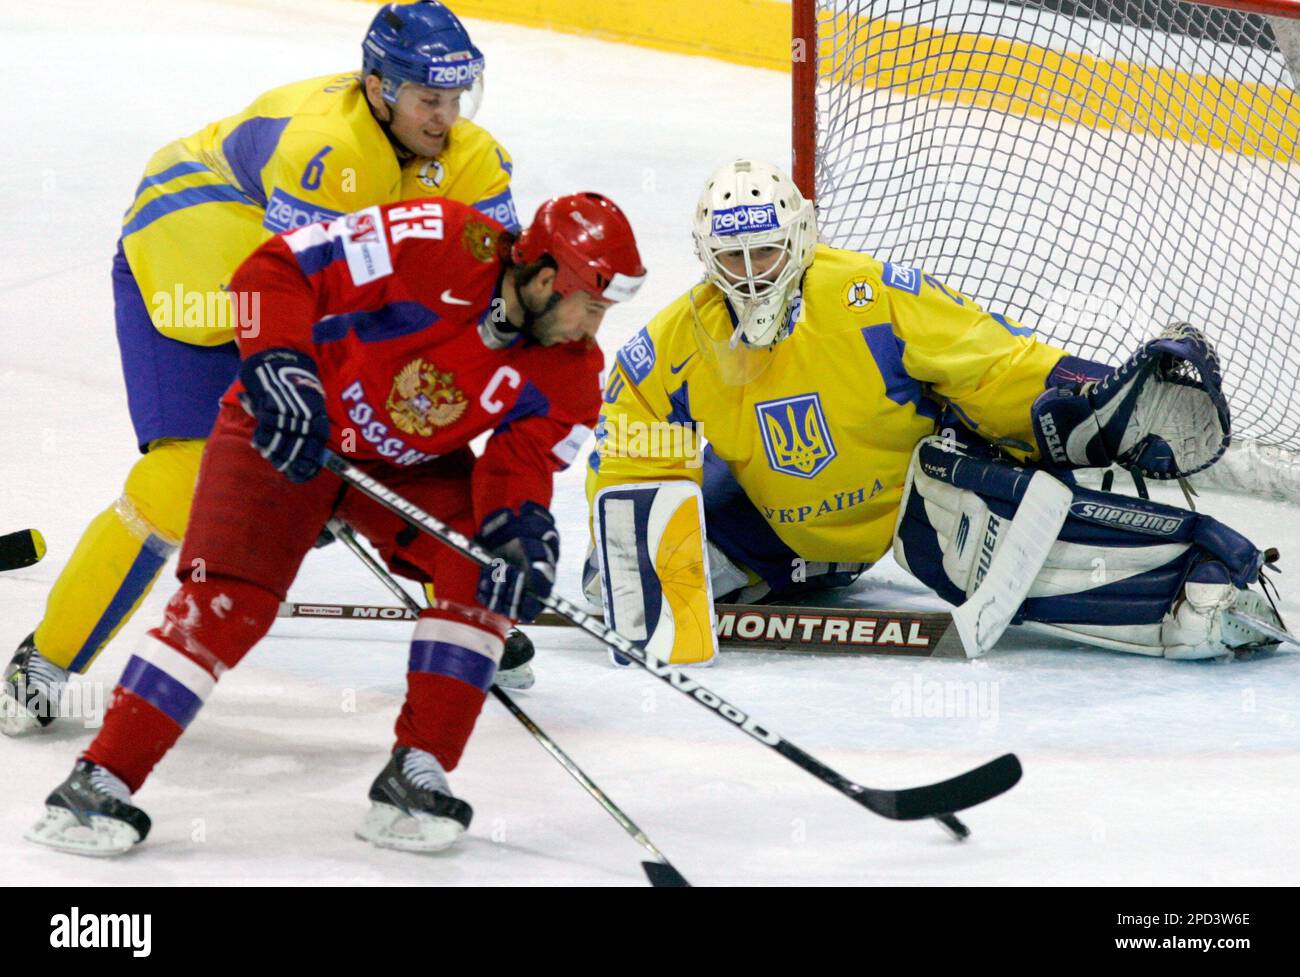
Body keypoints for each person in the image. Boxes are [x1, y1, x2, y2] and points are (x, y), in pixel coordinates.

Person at [26, 191, 647, 856]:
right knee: (227, 603)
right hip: (289, 428)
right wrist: (279, 364)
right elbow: (273, 270)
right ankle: (98, 780)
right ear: (548, 278)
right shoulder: (437, 237)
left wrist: (520, 530)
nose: (593, 325)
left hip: (403, 467)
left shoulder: (574, 375)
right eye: (593, 303)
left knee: (485, 567)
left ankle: (416, 773)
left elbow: (519, 469)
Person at [2, 1, 524, 736]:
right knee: (185, 481)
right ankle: (48, 657)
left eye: (454, 98)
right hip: (188, 265)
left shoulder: (473, 155)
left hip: (287, 286)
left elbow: (498, 290)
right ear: (379, 88)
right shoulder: (327, 151)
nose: (446, 117)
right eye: (426, 100)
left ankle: (464, 606)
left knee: (403, 429)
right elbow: (286, 294)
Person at [584, 158, 1282, 666]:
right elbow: (624, 445)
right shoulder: (677, 341)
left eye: (764, 250)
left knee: (993, 512)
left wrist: (1084, 389)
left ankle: (1204, 583)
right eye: (732, 259)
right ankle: (807, 564)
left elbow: (989, 360)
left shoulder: (867, 293)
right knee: (605, 576)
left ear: (799, 239)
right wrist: (630, 551)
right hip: (776, 516)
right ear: (707, 258)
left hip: (911, 499)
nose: (751, 273)